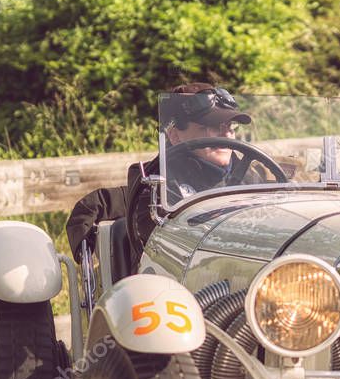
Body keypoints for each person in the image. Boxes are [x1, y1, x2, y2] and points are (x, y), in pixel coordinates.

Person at [65, 82, 250, 268]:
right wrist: (90, 261)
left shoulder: (254, 176)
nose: (226, 134)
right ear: (175, 135)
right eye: (211, 126)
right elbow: (94, 206)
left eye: (229, 125)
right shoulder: (153, 186)